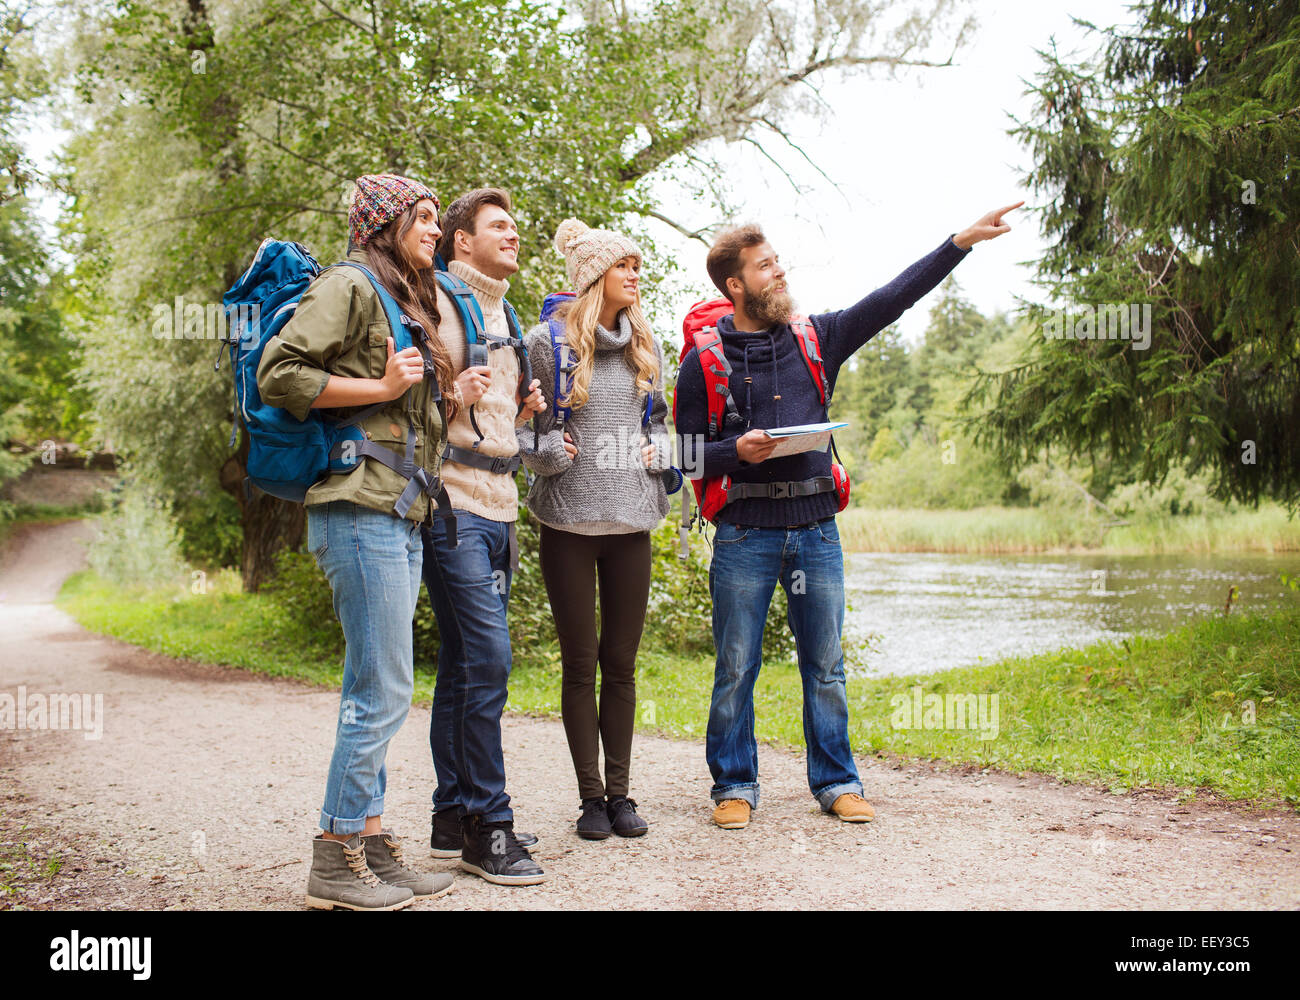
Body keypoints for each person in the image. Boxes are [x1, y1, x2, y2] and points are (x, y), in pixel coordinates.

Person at [674, 203, 1022, 830]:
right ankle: (733, 785)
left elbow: (893, 299)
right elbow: (686, 454)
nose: (779, 273)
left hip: (816, 531)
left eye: (778, 262)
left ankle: (836, 781)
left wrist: (959, 243)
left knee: (826, 664)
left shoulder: (818, 338)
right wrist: (737, 451)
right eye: (765, 267)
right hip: (744, 532)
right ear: (735, 285)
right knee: (734, 665)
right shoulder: (703, 362)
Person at [258, 173, 458, 909]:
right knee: (383, 690)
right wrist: (378, 389)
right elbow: (279, 372)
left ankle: (371, 846)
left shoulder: (401, 297)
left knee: (373, 687)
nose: (435, 230)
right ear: (386, 222)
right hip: (356, 509)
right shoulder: (348, 283)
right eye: (425, 218)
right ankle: (333, 861)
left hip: (397, 514)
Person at [519, 219, 672, 840]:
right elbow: (525, 433)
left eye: (637, 266)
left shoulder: (648, 346)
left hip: (633, 520)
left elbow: (661, 428)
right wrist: (558, 452)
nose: (635, 275)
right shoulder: (546, 343)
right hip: (569, 522)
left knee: (622, 665)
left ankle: (622, 795)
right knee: (581, 665)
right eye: (624, 266)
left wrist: (657, 455)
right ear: (593, 277)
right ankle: (590, 801)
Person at [420, 188, 549, 885]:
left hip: (501, 503)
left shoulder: (504, 309)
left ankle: (450, 815)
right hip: (453, 503)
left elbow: (500, 418)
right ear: (460, 241)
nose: (513, 235)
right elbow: (409, 406)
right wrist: (453, 399)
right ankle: (488, 828)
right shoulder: (438, 301)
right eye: (498, 226)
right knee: (490, 659)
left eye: (515, 226)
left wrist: (519, 407)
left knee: (464, 662)